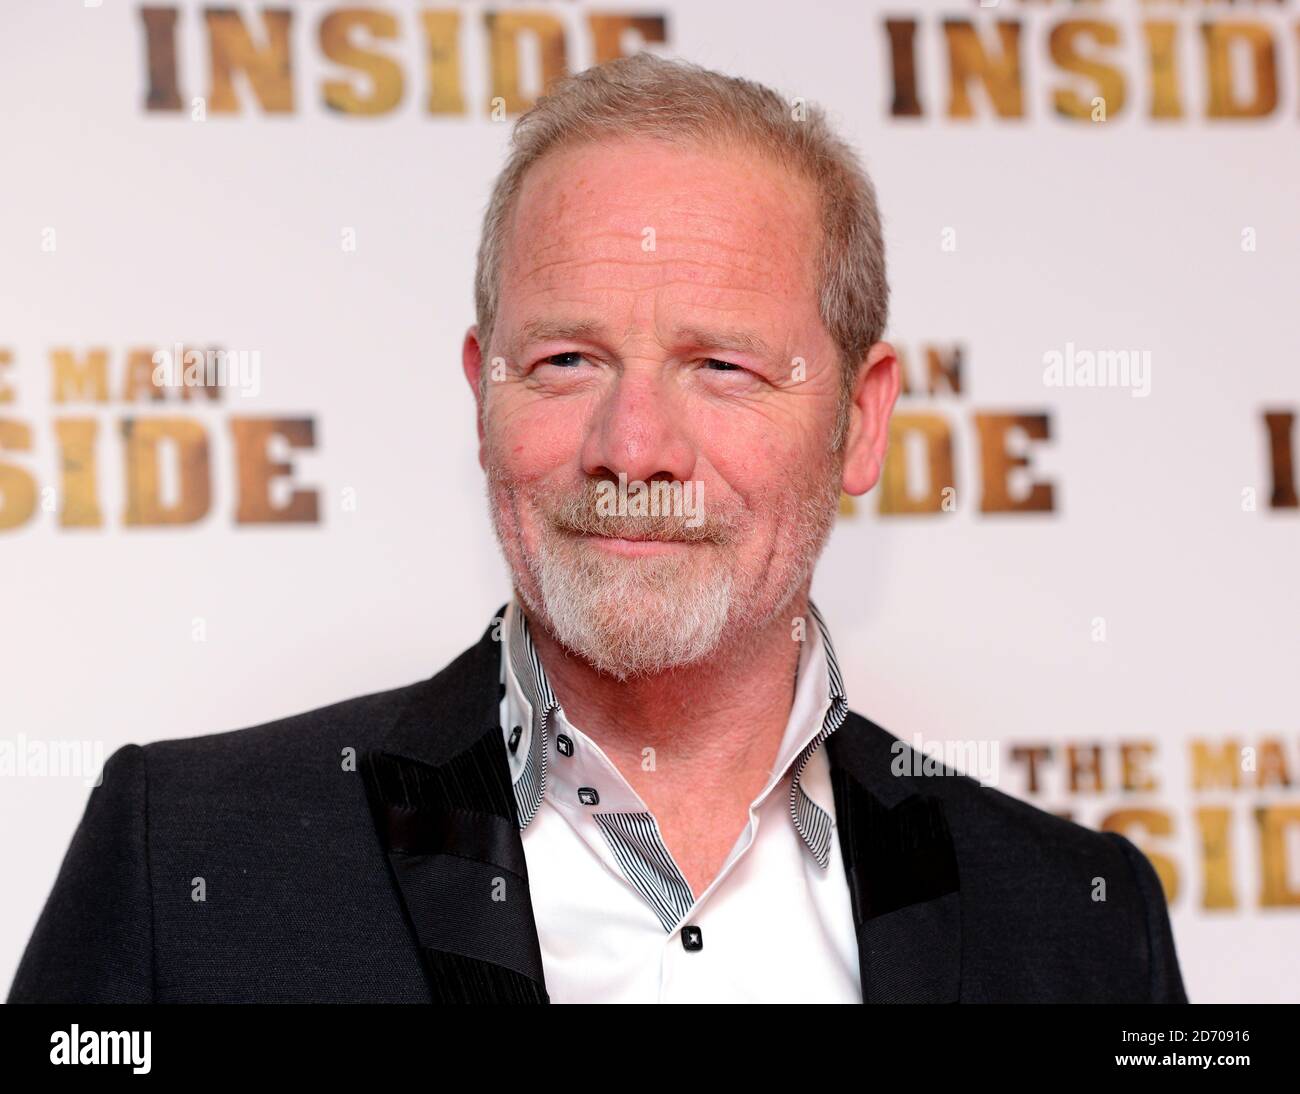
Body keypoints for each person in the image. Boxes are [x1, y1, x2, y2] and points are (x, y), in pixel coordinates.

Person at [8, 52, 1187, 1004]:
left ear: (861, 419)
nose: (634, 448)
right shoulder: (195, 858)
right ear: (483, 396)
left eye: (721, 366)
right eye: (568, 359)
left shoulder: (1080, 923)